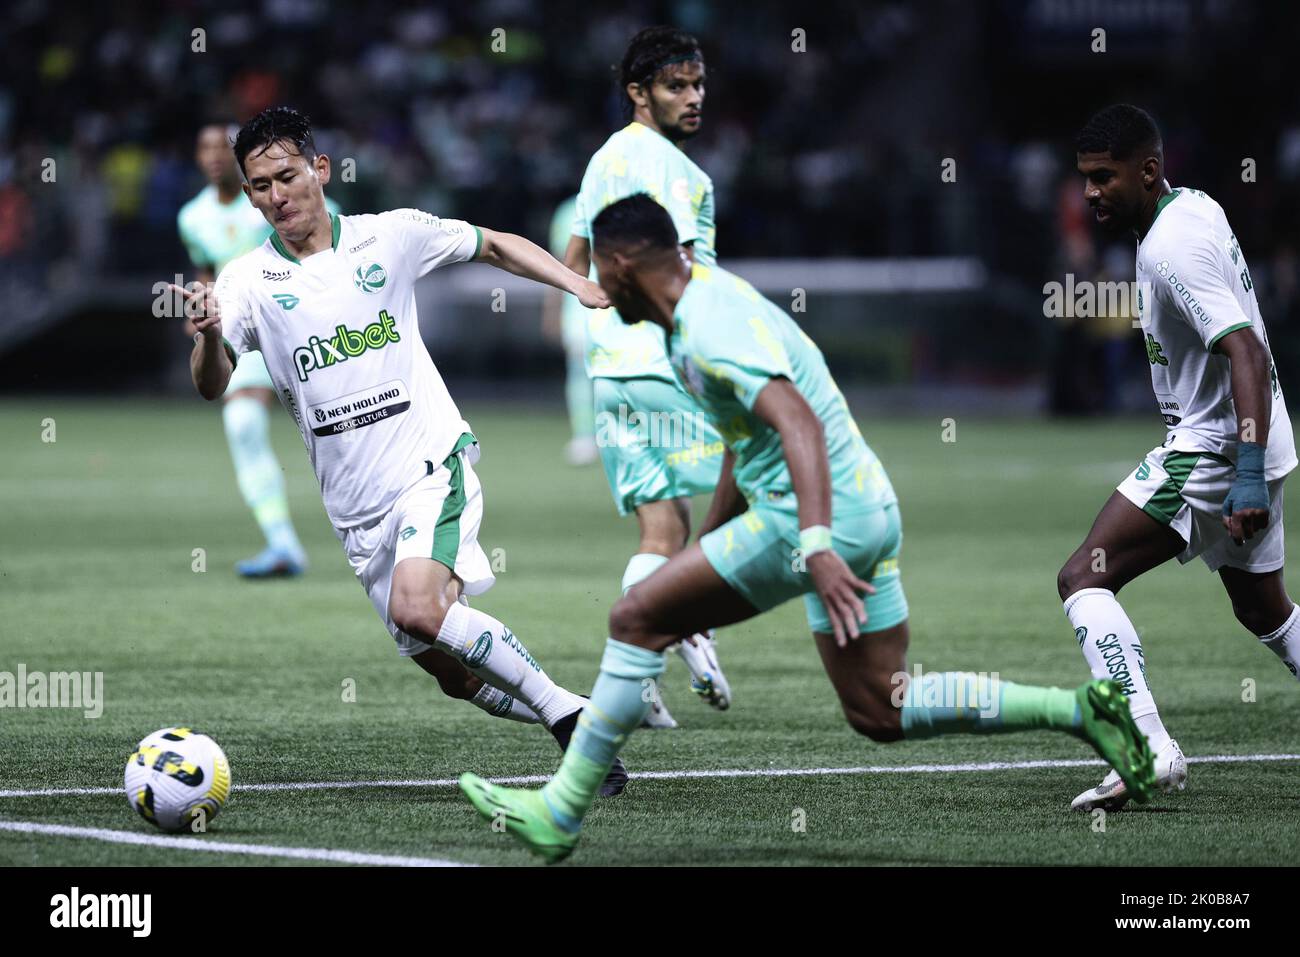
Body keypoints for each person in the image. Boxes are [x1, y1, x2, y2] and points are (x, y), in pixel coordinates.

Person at [459, 194, 1156, 863]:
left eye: (599, 279)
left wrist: (817, 543)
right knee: (880, 706)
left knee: (637, 616)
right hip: (867, 507)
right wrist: (709, 539)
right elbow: (746, 434)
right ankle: (1080, 710)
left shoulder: (705, 325)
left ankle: (560, 811)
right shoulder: (701, 304)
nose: (599, 298)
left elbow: (798, 421)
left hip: (814, 520)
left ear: (619, 269)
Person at [176, 106, 626, 794]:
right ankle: (572, 708)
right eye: (260, 186)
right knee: (453, 676)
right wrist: (207, 334)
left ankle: (572, 721)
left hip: (428, 466)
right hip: (355, 512)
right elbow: (213, 387)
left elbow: (496, 244)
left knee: (421, 608)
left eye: (288, 176)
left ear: (320, 169)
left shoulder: (390, 237)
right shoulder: (244, 282)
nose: (277, 196)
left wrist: (577, 284)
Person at [1061, 104, 1299, 811]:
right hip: (1256, 434)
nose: (1092, 193)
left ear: (1149, 169)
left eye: (1105, 178)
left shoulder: (1171, 247)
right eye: (1085, 180)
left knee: (1083, 577)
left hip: (1218, 448)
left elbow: (1245, 349)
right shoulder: (1190, 208)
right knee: (1265, 612)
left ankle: (1148, 748)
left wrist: (1246, 473)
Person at [564, 26, 734, 723]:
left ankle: (633, 677)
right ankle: (690, 618)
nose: (693, 98)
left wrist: (604, 316)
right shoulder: (665, 164)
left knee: (662, 531)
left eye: (697, 84)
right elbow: (683, 274)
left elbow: (573, 261)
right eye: (676, 86)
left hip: (612, 369)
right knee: (749, 477)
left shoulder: (604, 159)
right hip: (664, 360)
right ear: (638, 93)